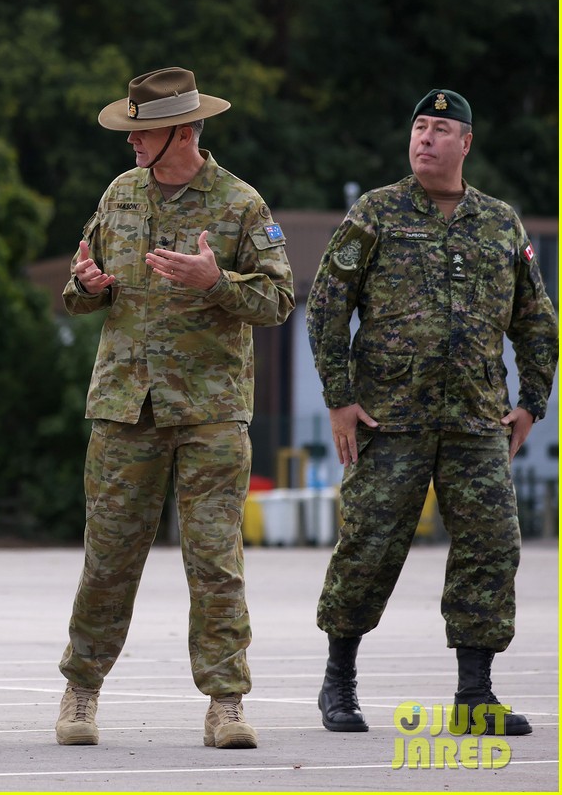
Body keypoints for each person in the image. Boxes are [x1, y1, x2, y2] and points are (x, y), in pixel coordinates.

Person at [54, 67, 294, 750]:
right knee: (108, 554)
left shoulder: (241, 204)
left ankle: (226, 699)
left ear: (184, 131)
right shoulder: (119, 195)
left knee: (215, 557)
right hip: (125, 406)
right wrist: (86, 283)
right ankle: (82, 687)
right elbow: (81, 288)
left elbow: (278, 300)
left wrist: (218, 280)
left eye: (144, 131)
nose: (131, 142)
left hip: (211, 410)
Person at [307, 89, 557, 737]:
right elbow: (327, 305)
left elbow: (537, 321)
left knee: (491, 549)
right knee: (367, 547)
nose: (425, 138)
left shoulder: (501, 223)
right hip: (388, 420)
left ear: (465, 144)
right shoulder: (377, 213)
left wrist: (532, 402)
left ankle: (475, 694)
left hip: (477, 423)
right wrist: (338, 398)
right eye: (418, 126)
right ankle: (339, 682)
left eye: (440, 129)